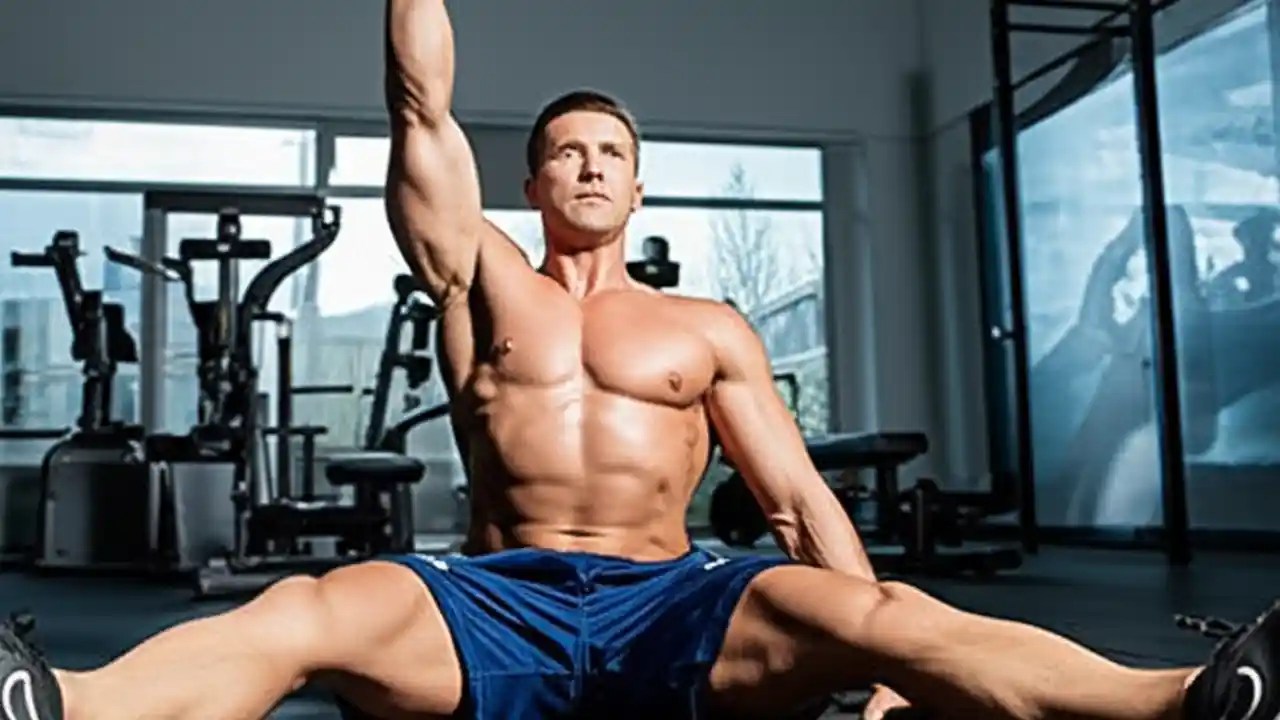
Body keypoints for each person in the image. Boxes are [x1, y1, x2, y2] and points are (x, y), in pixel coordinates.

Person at [1, 2, 1276, 719]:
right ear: (532, 178)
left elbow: (791, 503)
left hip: (678, 606)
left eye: (611, 151)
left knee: (889, 612)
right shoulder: (477, 276)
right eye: (567, 150)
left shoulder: (709, 327)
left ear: (639, 186)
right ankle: (53, 703)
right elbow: (416, 102)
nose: (591, 164)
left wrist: (885, 665)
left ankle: (1189, 700)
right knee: (301, 610)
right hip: (486, 601)